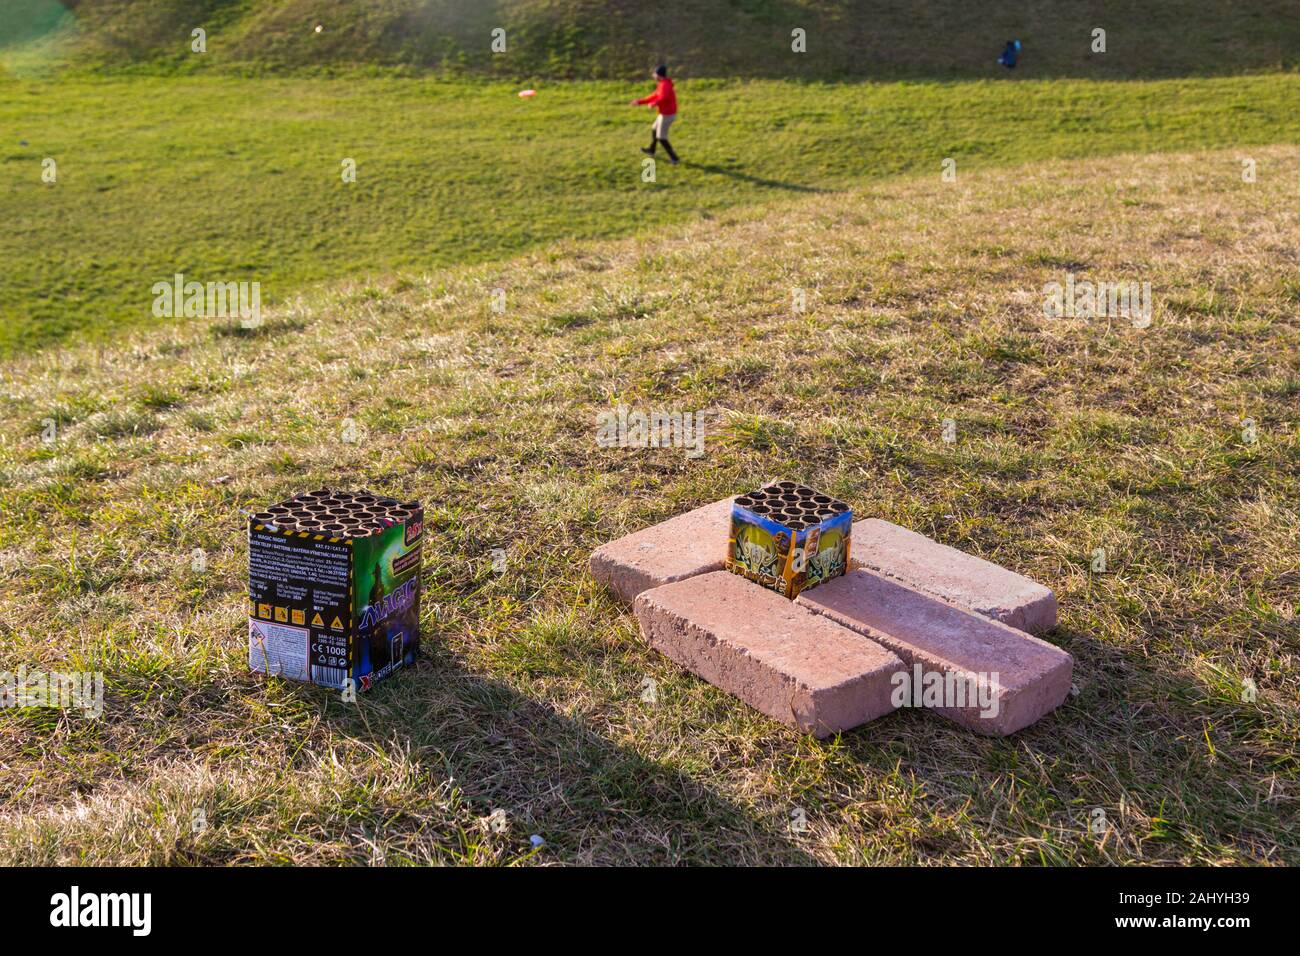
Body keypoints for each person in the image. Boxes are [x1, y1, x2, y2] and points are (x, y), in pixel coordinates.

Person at [630, 64, 679, 164]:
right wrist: (640, 102)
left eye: (654, 74)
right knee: (654, 128)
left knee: (661, 137)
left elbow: (663, 98)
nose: (653, 76)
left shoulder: (665, 85)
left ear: (659, 75)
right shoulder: (662, 84)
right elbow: (655, 96)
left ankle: (674, 158)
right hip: (664, 113)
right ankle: (651, 150)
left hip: (667, 114)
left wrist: (655, 103)